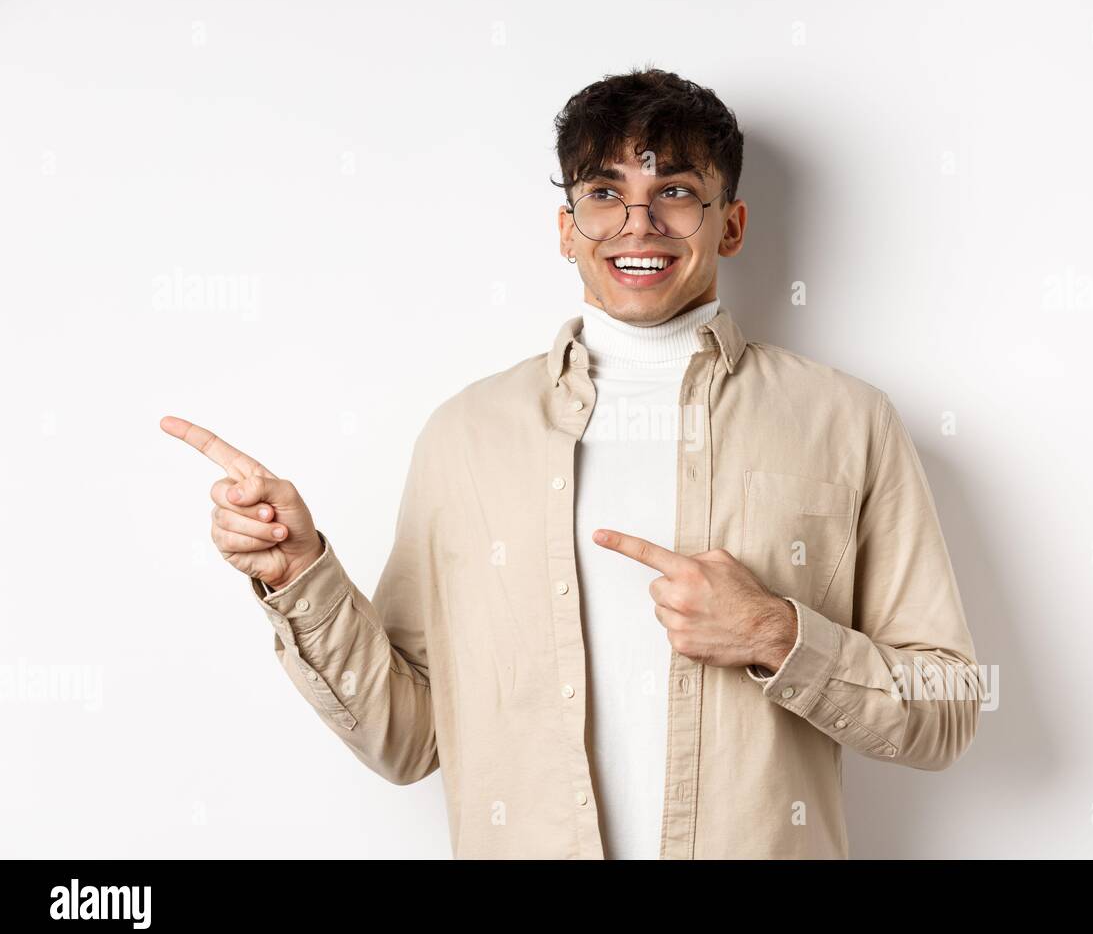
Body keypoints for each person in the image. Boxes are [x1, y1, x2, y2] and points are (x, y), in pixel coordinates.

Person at [160, 67, 981, 859]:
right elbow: (408, 738)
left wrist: (776, 633)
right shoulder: (466, 434)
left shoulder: (847, 420)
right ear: (567, 229)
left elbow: (949, 707)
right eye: (603, 195)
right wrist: (302, 575)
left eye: (675, 193)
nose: (638, 225)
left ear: (729, 223)